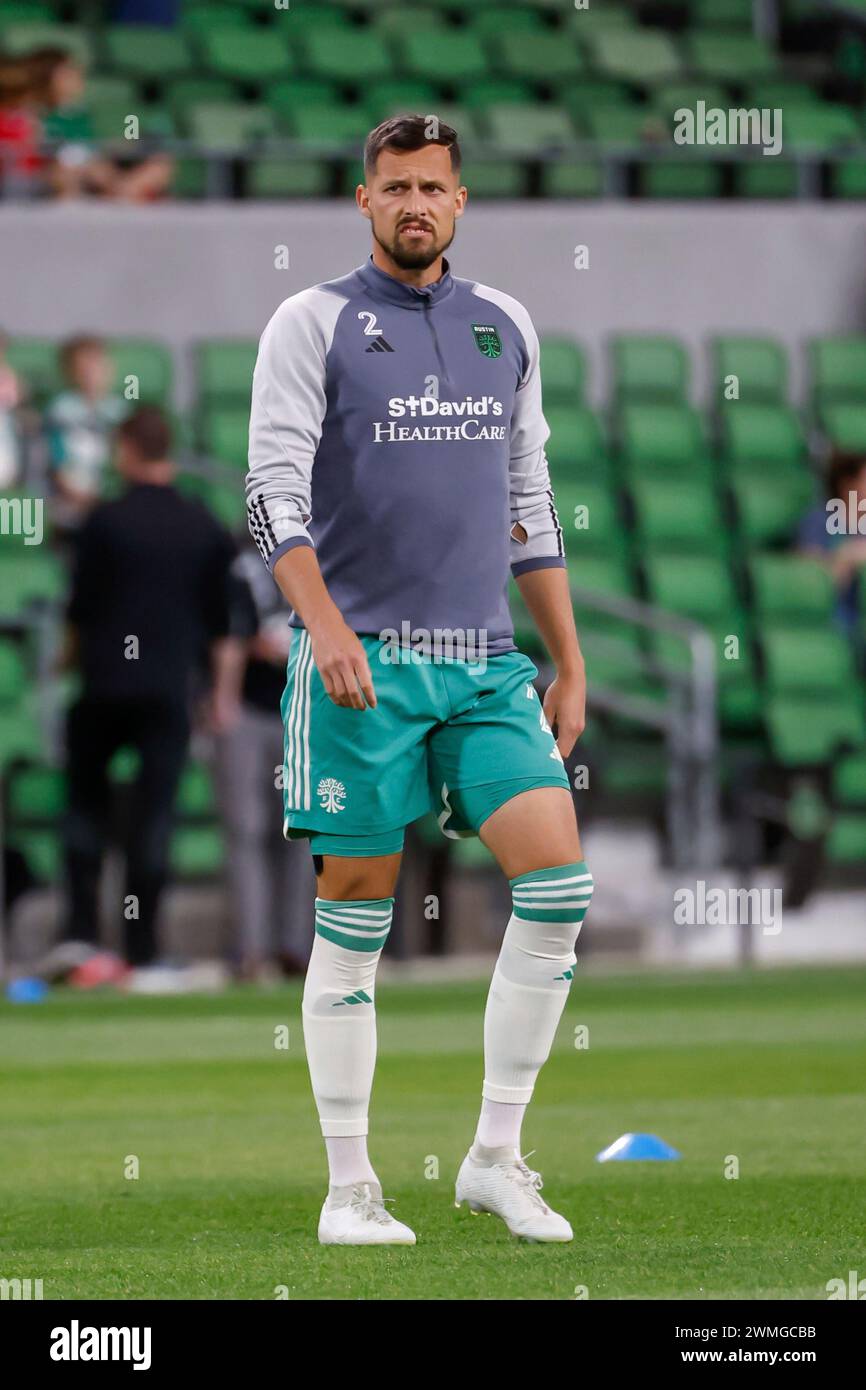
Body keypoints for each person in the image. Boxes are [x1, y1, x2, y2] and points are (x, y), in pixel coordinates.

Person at [246, 114, 592, 1246]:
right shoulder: (312, 322)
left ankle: (494, 1156)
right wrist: (327, 629)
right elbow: (271, 500)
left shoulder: (505, 326)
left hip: (485, 663)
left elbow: (528, 501)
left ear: (459, 200)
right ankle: (349, 1187)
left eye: (432, 188)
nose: (413, 205)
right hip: (363, 669)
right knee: (354, 916)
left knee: (556, 888)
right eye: (393, 187)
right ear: (362, 200)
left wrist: (568, 659)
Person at [62, 405, 236, 972]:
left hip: (104, 685)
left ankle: (83, 936)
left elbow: (80, 610)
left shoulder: (105, 520)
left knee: (86, 809)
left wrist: (66, 662)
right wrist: (219, 692)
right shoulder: (202, 523)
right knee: (154, 818)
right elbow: (222, 622)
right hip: (167, 689)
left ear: (127, 450)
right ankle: (143, 947)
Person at [213, 543, 316, 982]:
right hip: (253, 708)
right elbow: (227, 633)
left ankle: (296, 946)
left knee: (302, 833)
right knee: (246, 832)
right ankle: (251, 948)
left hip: (307, 708)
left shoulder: (324, 553)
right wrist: (223, 698)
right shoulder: (240, 565)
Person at [45, 334, 127, 529]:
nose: (91, 374)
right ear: (70, 373)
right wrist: (82, 497)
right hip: (71, 499)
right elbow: (58, 463)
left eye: (97, 366)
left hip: (113, 497)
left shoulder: (120, 412)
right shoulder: (60, 411)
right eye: (84, 369)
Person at [798, 450, 866, 636]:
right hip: (835, 623)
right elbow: (809, 583)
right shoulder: (819, 521)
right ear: (847, 485)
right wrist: (846, 556)